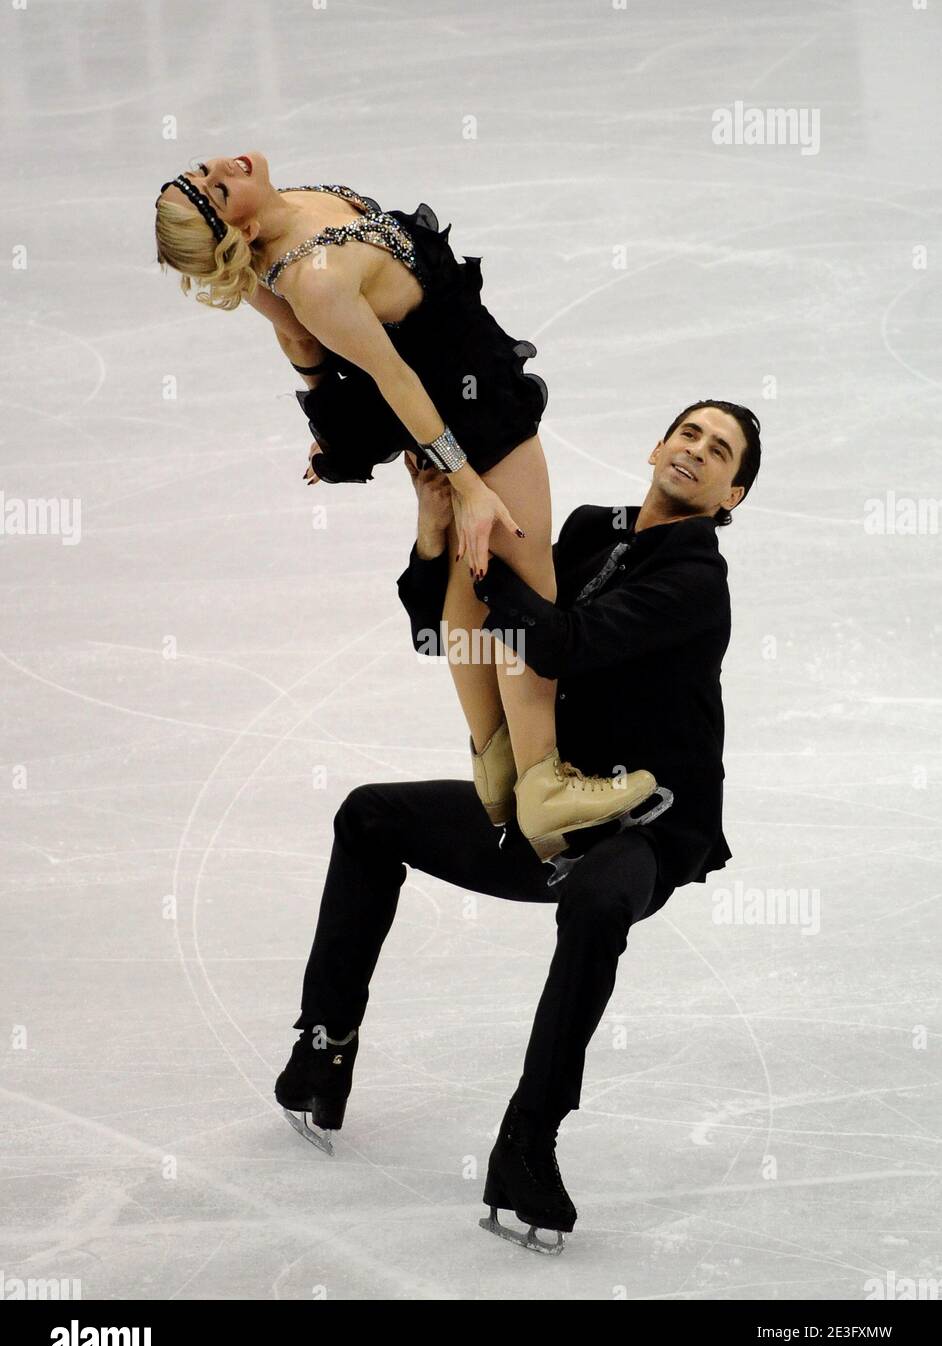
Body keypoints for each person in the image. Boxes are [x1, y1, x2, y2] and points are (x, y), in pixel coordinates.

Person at [274, 399, 762, 1253]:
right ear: (656, 445)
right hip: (547, 796)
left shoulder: (696, 578)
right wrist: (441, 528)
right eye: (689, 432)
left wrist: (484, 534)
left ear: (734, 497)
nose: (696, 450)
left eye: (720, 452)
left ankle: (529, 1139)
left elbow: (560, 644)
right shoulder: (583, 530)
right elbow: (443, 636)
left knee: (600, 900)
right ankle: (326, 1040)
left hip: (641, 821)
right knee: (371, 818)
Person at [152, 152, 671, 873]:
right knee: (522, 576)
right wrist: (466, 483)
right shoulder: (314, 276)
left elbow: (303, 345)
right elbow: (387, 373)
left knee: (476, 576)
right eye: (214, 188)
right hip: (465, 413)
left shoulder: (287, 217)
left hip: (454, 389)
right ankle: (543, 784)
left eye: (203, 171)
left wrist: (333, 430)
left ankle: (498, 771)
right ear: (233, 221)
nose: (222, 166)